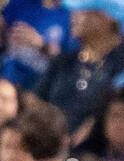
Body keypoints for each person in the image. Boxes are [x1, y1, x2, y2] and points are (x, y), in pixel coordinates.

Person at [36, 0, 124, 146]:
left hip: (106, 158)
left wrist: (91, 125)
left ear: (108, 18)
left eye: (82, 11)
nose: (73, 17)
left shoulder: (120, 61)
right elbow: (38, 99)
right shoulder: (65, 61)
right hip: (59, 152)